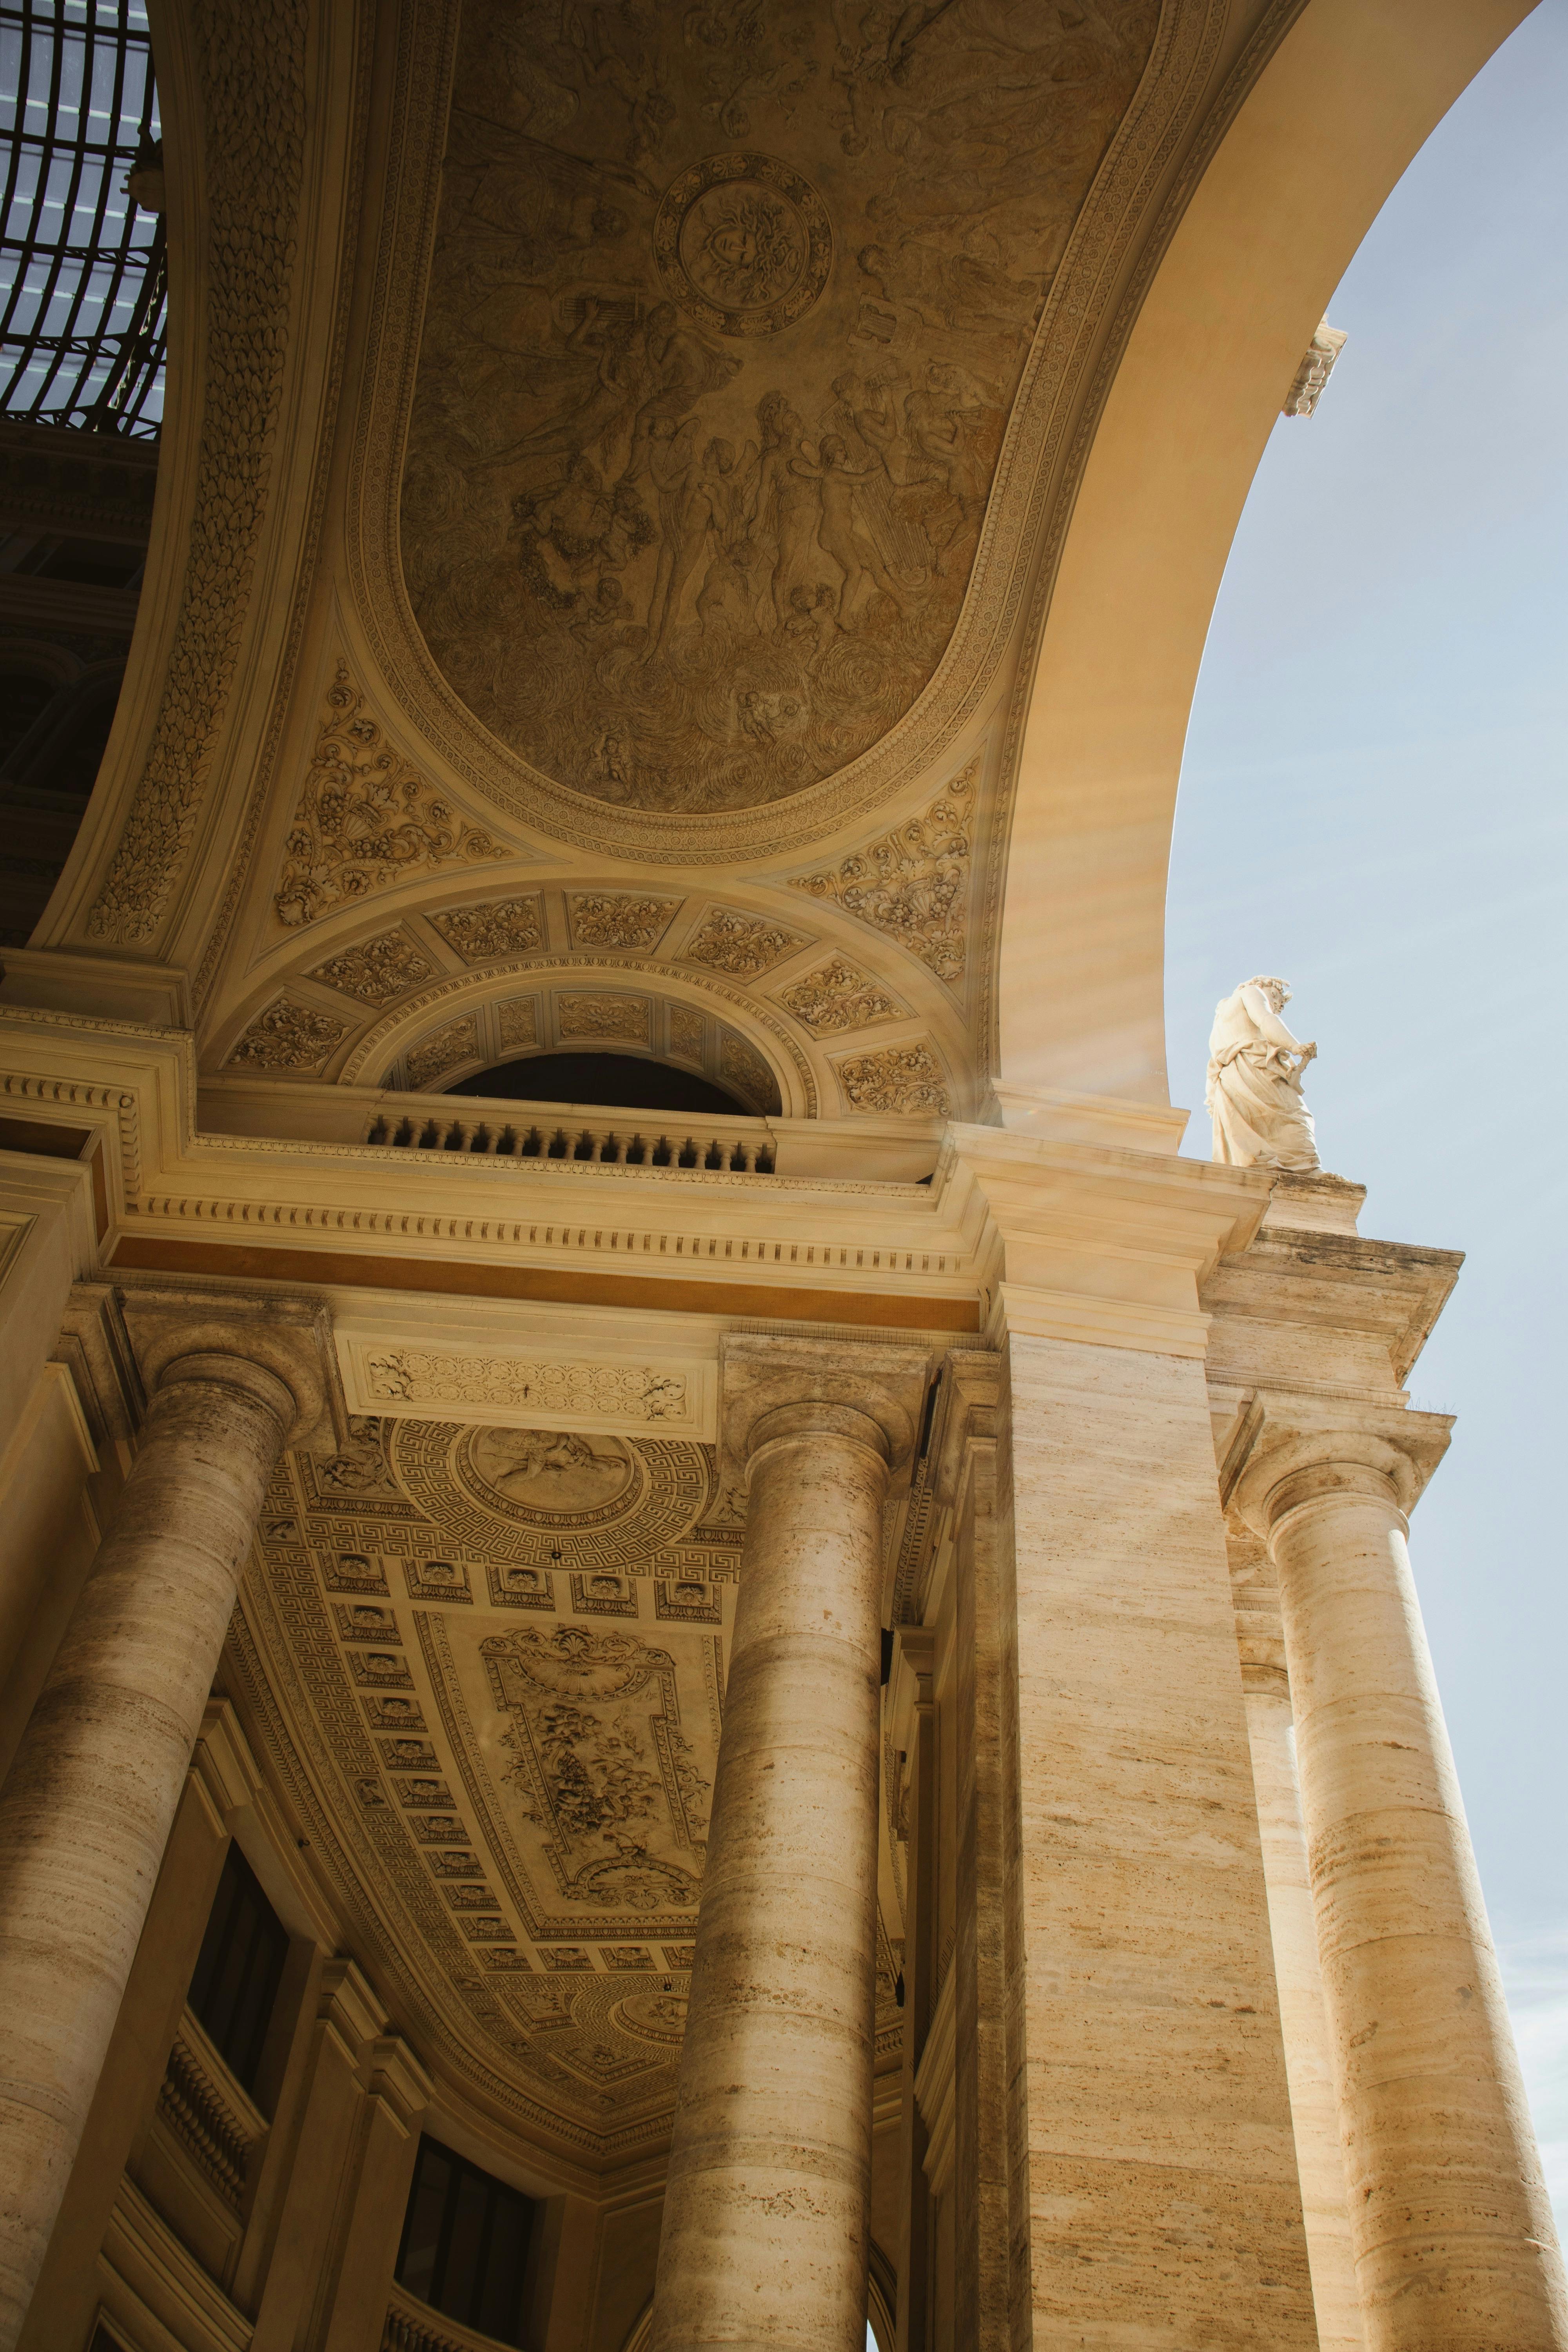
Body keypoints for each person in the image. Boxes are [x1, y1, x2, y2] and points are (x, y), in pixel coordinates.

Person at [1206, 975, 1320, 1169]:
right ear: (1259, 985)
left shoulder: (1222, 1017)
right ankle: (1307, 1168)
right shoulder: (1250, 992)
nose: (1276, 1004)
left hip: (1231, 1078)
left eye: (1280, 1004)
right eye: (1275, 995)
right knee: (1296, 1118)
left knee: (1255, 1132)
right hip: (1256, 1068)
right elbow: (1265, 1018)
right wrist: (1294, 1045)